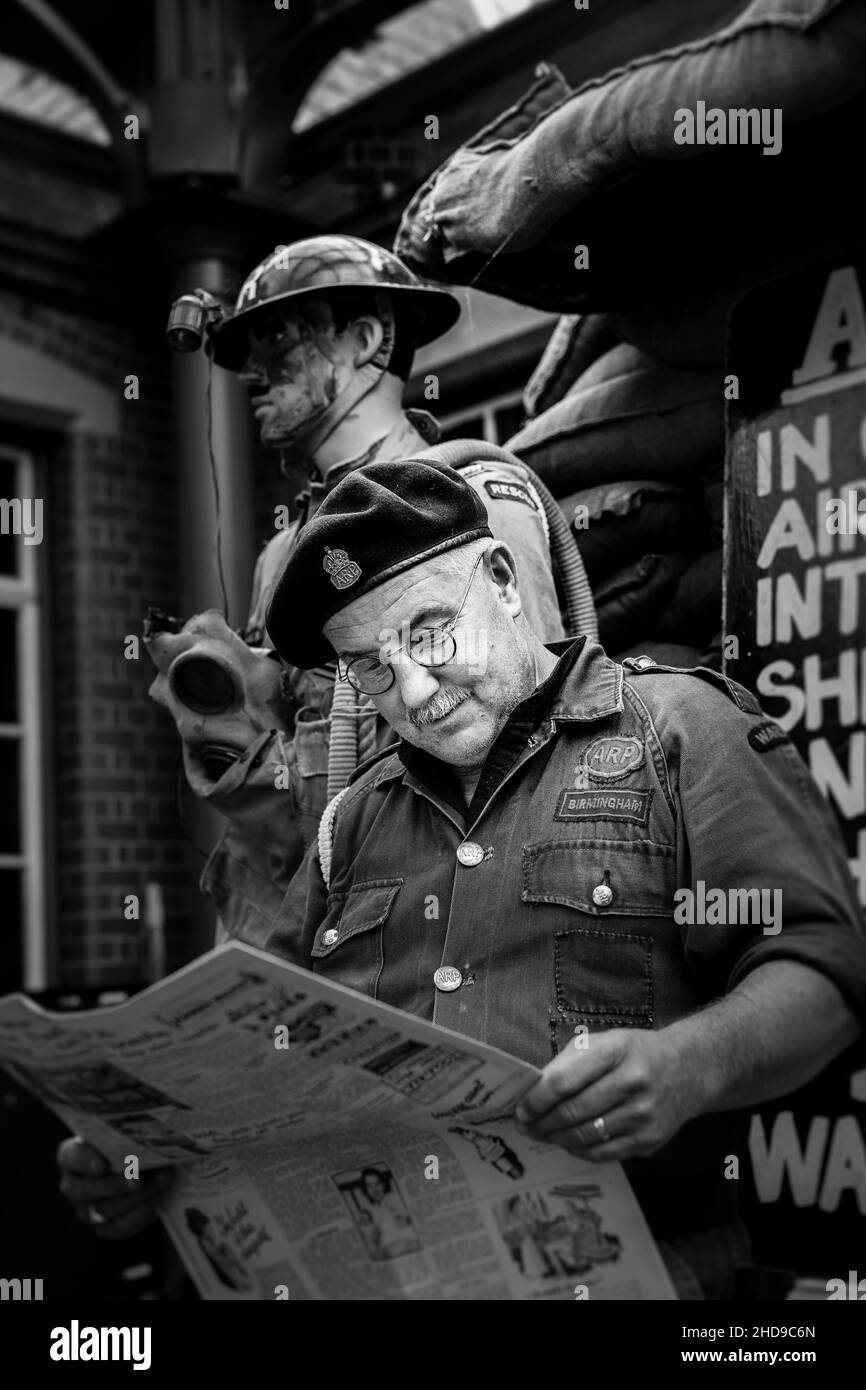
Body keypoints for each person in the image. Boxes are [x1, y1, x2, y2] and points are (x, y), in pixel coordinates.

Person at [57, 242, 593, 1243]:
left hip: (452, 1000)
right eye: (246, 347)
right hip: (323, 988)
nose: (257, 369)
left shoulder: (468, 494)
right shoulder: (281, 561)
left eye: (284, 339)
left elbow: (533, 764)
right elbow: (295, 842)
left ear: (368, 337)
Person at [255, 457, 866, 1299]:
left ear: (503, 579)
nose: (415, 690)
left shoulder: (683, 732)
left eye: (431, 633)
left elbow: (828, 970)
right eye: (369, 668)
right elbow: (261, 1044)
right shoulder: (352, 821)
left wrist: (687, 1065)